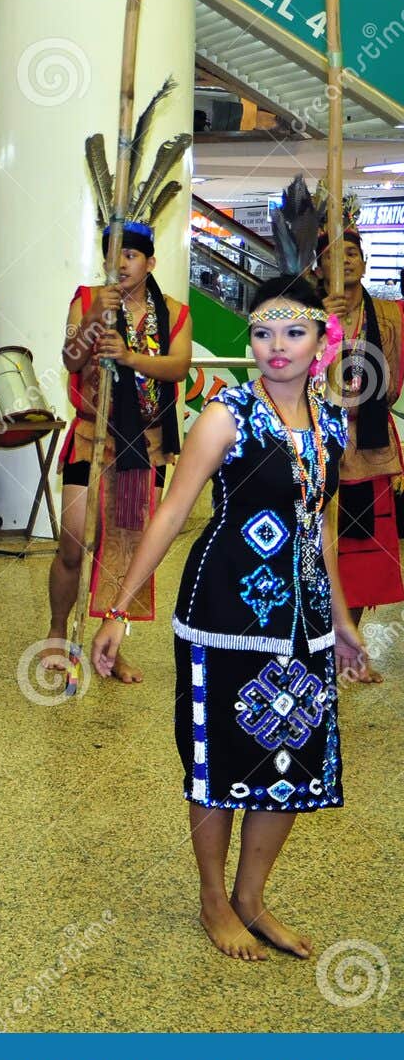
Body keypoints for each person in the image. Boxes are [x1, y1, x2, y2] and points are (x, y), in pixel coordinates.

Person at [90, 198, 363, 961]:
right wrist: (118, 608)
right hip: (220, 614)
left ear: (322, 340)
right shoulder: (227, 414)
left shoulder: (333, 422)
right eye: (263, 332)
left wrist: (340, 619)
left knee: (292, 761)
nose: (276, 345)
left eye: (294, 331)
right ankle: (214, 899)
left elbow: (320, 526)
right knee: (219, 760)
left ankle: (252, 896)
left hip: (303, 619)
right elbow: (173, 511)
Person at [46, 86, 193, 684]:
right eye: (114, 251)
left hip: (144, 445)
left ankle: (109, 644)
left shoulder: (176, 311)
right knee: (75, 545)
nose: (123, 262)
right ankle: (58, 633)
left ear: (150, 263)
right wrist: (94, 323)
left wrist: (130, 356)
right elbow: (70, 358)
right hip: (88, 439)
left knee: (125, 551)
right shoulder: (88, 298)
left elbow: (179, 368)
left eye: (133, 254)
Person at [315, 189, 404, 680]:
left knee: (363, 551)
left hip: (367, 445)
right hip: (314, 442)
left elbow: (392, 381)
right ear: (318, 268)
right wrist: (323, 329)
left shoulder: (389, 316)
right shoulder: (305, 312)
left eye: (353, 252)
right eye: (334, 254)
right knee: (317, 544)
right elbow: (294, 372)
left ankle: (351, 648)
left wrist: (356, 406)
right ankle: (319, 642)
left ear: (366, 265)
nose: (345, 260)